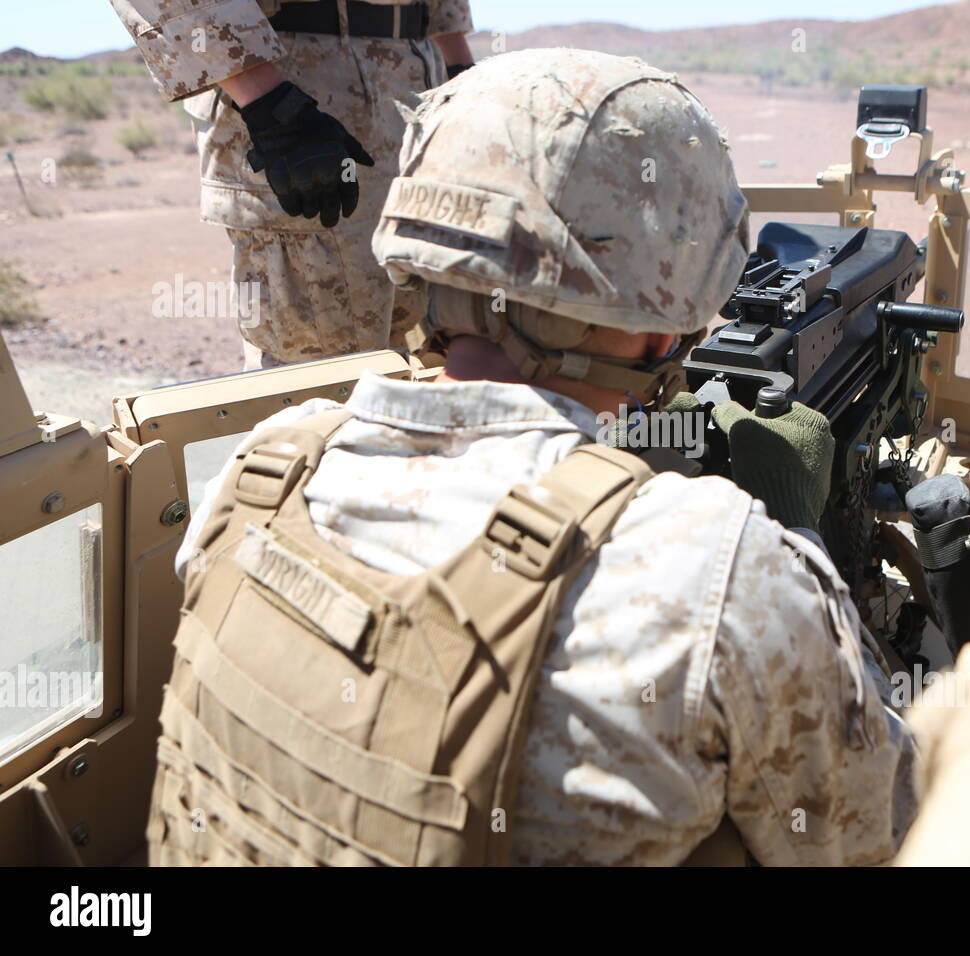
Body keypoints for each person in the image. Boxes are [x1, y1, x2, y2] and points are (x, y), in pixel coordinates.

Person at [151, 48, 917, 866]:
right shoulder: (712, 572)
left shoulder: (267, 468)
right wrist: (800, 551)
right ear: (668, 327)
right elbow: (878, 831)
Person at [108, 0, 475, 369]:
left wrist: (458, 63)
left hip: (421, 87)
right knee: (322, 382)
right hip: (293, 85)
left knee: (427, 364)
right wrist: (270, 105)